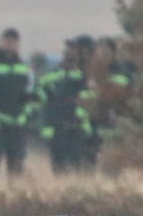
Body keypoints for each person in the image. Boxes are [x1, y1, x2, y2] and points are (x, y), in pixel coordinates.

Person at [37, 36, 99, 173]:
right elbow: (45, 101)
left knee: (80, 172)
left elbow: (91, 101)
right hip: (58, 131)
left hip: (80, 132)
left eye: (73, 48)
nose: (68, 51)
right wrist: (46, 125)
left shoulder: (89, 75)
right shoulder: (54, 73)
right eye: (69, 48)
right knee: (59, 173)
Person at [0, 28, 35, 176]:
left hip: (18, 123)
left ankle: (15, 195)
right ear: (0, 42)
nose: (9, 44)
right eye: (6, 40)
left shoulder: (24, 67)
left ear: (18, 44)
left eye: (13, 41)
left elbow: (30, 95)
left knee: (17, 165)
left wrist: (26, 116)